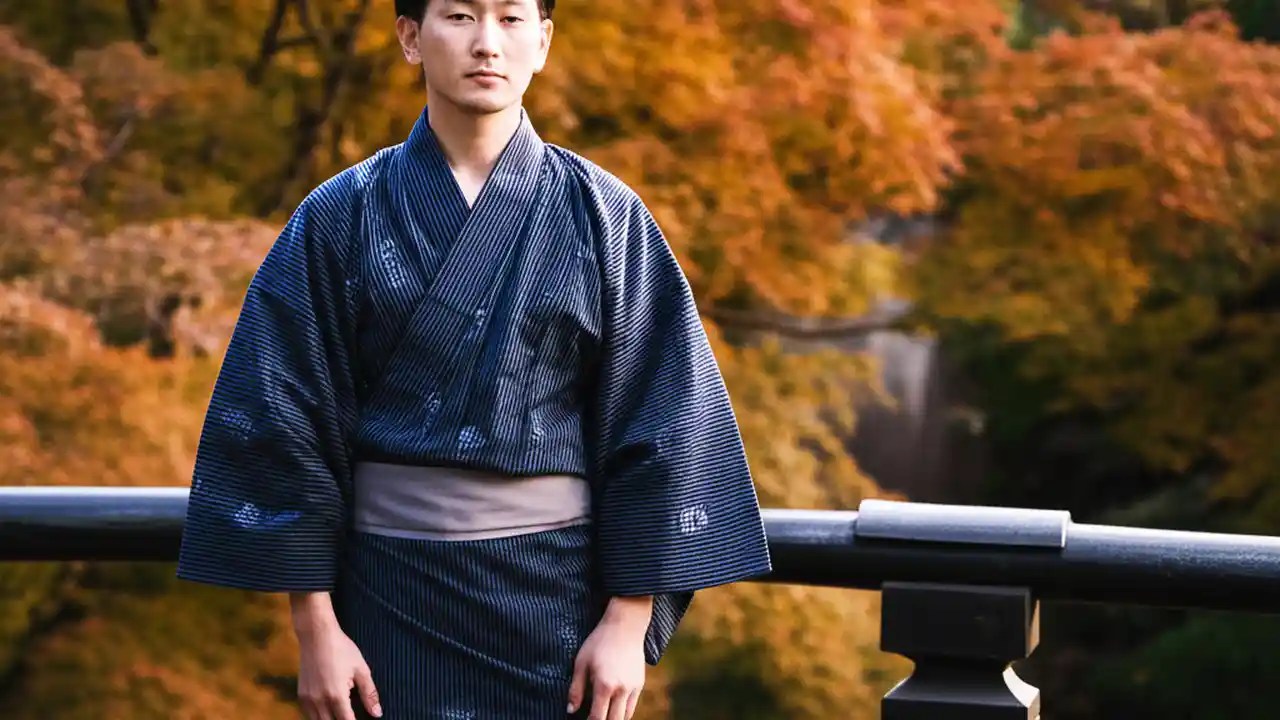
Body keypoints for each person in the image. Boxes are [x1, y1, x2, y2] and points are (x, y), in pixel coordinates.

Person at [175, 0, 772, 718]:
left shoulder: (605, 214)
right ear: (410, 37)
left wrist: (627, 619)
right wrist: (315, 627)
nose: (487, 43)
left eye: (511, 19)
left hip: (555, 606)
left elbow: (666, 416)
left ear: (543, 42)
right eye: (459, 16)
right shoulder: (340, 215)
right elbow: (281, 414)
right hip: (385, 597)